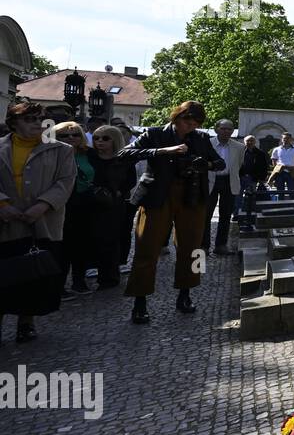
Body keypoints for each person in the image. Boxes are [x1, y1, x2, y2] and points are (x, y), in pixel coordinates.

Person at [118, 100, 223, 324]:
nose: (190, 126)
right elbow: (124, 154)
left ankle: (186, 294)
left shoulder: (202, 138)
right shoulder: (155, 134)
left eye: (195, 123)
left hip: (192, 198)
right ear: (176, 117)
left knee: (194, 250)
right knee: (147, 248)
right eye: (187, 121)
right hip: (158, 196)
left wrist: (206, 164)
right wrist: (161, 151)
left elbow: (220, 163)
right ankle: (139, 302)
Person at [0, 100, 76, 343]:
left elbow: (65, 182)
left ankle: (26, 321)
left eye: (40, 119)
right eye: (29, 119)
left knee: (33, 273)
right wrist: (3, 205)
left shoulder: (61, 149)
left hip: (42, 221)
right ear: (13, 123)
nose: (37, 124)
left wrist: (42, 205)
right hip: (5, 220)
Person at [88, 124, 136, 289]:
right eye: (96, 138)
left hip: (115, 205)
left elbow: (131, 180)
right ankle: (97, 272)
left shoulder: (124, 159)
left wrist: (120, 192)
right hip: (93, 204)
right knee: (95, 239)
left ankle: (110, 277)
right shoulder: (91, 157)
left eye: (105, 138)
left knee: (112, 240)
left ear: (114, 140)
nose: (100, 142)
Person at [54, 121, 96, 295]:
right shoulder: (51, 154)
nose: (71, 138)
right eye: (64, 135)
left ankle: (79, 281)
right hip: (60, 205)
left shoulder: (90, 154)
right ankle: (58, 285)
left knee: (83, 245)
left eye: (75, 134)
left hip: (86, 204)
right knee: (61, 247)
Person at [202, 119, 243, 255]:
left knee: (226, 215)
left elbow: (239, 164)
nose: (226, 131)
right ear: (216, 129)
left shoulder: (239, 147)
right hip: (210, 180)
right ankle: (204, 246)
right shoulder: (207, 143)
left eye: (229, 129)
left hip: (229, 181)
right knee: (206, 215)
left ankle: (221, 245)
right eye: (223, 128)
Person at [238, 134, 270, 232]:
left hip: (253, 178)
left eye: (252, 141)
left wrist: (262, 178)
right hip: (241, 177)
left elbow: (264, 166)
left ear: (255, 142)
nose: (250, 142)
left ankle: (250, 214)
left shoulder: (260, 153)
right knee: (238, 196)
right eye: (248, 141)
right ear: (244, 142)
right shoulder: (240, 151)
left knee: (251, 196)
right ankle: (237, 214)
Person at [270, 133, 294, 200]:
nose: (286, 140)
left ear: (291, 139)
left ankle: (293, 206)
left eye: (287, 138)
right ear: (282, 139)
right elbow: (274, 160)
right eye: (284, 138)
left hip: (291, 172)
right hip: (280, 172)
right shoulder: (276, 149)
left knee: (292, 191)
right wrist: (276, 170)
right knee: (280, 192)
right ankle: (280, 207)